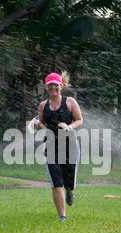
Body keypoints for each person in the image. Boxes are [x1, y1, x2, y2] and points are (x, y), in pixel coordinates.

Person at [34, 71, 83, 221]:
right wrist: (38, 125)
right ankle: (62, 216)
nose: (53, 88)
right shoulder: (43, 105)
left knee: (69, 183)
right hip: (51, 147)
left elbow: (79, 121)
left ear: (61, 86)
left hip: (70, 147)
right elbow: (42, 123)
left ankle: (70, 190)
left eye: (56, 85)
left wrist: (69, 127)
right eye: (50, 86)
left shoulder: (70, 102)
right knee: (56, 183)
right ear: (47, 88)